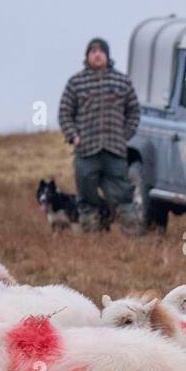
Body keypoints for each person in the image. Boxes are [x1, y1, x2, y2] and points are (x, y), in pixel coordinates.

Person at [57, 37, 142, 232]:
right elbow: (64, 113)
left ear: (107, 55)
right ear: (87, 56)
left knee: (123, 196)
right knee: (86, 199)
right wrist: (74, 136)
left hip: (114, 149)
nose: (97, 54)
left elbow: (134, 111)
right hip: (86, 151)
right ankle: (91, 241)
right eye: (92, 51)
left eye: (100, 51)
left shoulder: (121, 81)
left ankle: (133, 239)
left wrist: (125, 135)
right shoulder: (76, 83)